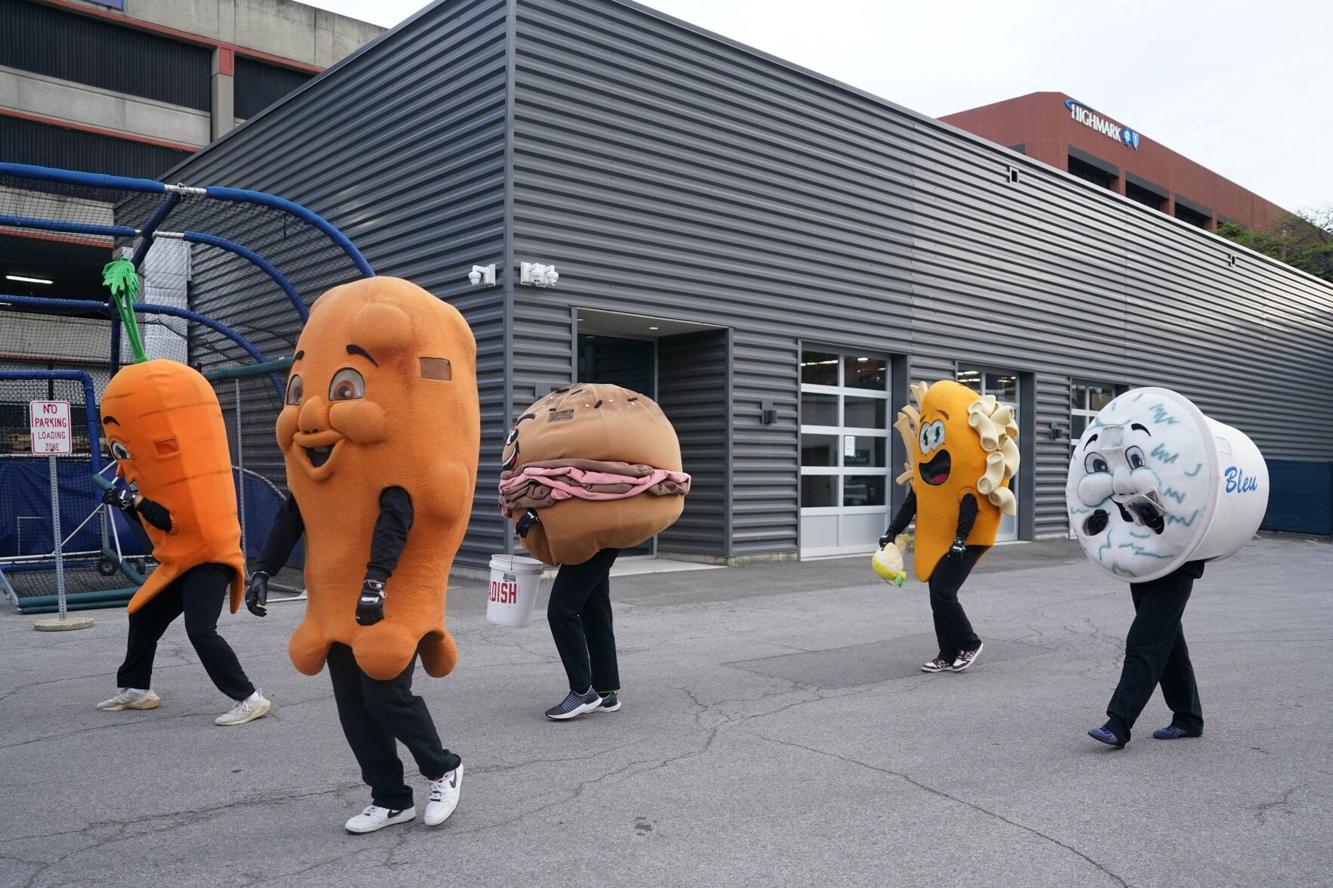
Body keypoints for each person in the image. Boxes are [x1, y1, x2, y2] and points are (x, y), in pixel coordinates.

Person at [97, 484, 270, 726]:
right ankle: (137, 689)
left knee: (201, 630)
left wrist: (134, 500)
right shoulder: (163, 480)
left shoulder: (191, 481)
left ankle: (250, 698)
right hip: (181, 563)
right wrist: (129, 505)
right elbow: (155, 525)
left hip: (210, 561)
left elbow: (174, 522)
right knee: (143, 615)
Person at [1088, 561, 1205, 748]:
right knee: (1169, 642)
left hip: (1176, 566)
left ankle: (1119, 723)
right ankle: (1188, 717)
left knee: (1144, 643)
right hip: (1143, 566)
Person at [881, 489, 984, 673]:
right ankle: (947, 655)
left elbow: (970, 501)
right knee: (937, 596)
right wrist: (892, 532)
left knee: (943, 593)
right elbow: (910, 504)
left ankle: (970, 644)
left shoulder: (965, 474)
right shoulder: (925, 476)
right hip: (937, 540)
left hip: (968, 541)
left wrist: (960, 539)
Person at [543, 547, 623, 720]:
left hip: (588, 540)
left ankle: (583, 692)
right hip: (604, 538)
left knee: (561, 611)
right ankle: (604, 691)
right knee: (594, 608)